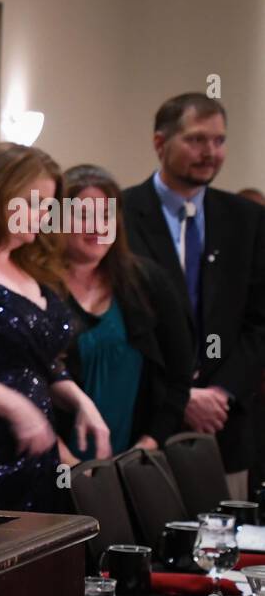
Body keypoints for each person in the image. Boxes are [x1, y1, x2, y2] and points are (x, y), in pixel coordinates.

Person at [0, 144, 110, 512]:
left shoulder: (32, 267)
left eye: (49, 205)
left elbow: (42, 358)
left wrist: (81, 401)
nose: (44, 215)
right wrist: (17, 409)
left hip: (39, 446)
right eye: (34, 202)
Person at [122, 94, 265, 498]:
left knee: (228, 551)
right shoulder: (122, 211)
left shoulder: (247, 219)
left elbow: (258, 323)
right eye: (197, 140)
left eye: (219, 141)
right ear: (159, 143)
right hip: (144, 424)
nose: (211, 153)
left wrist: (221, 392)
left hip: (226, 423)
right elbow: (124, 320)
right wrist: (180, 395)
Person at [56, 164, 192, 462]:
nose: (97, 226)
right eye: (83, 215)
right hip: (55, 467)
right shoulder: (38, 287)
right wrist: (69, 463)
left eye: (105, 215)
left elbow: (179, 378)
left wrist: (146, 447)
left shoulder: (149, 281)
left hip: (133, 464)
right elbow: (27, 385)